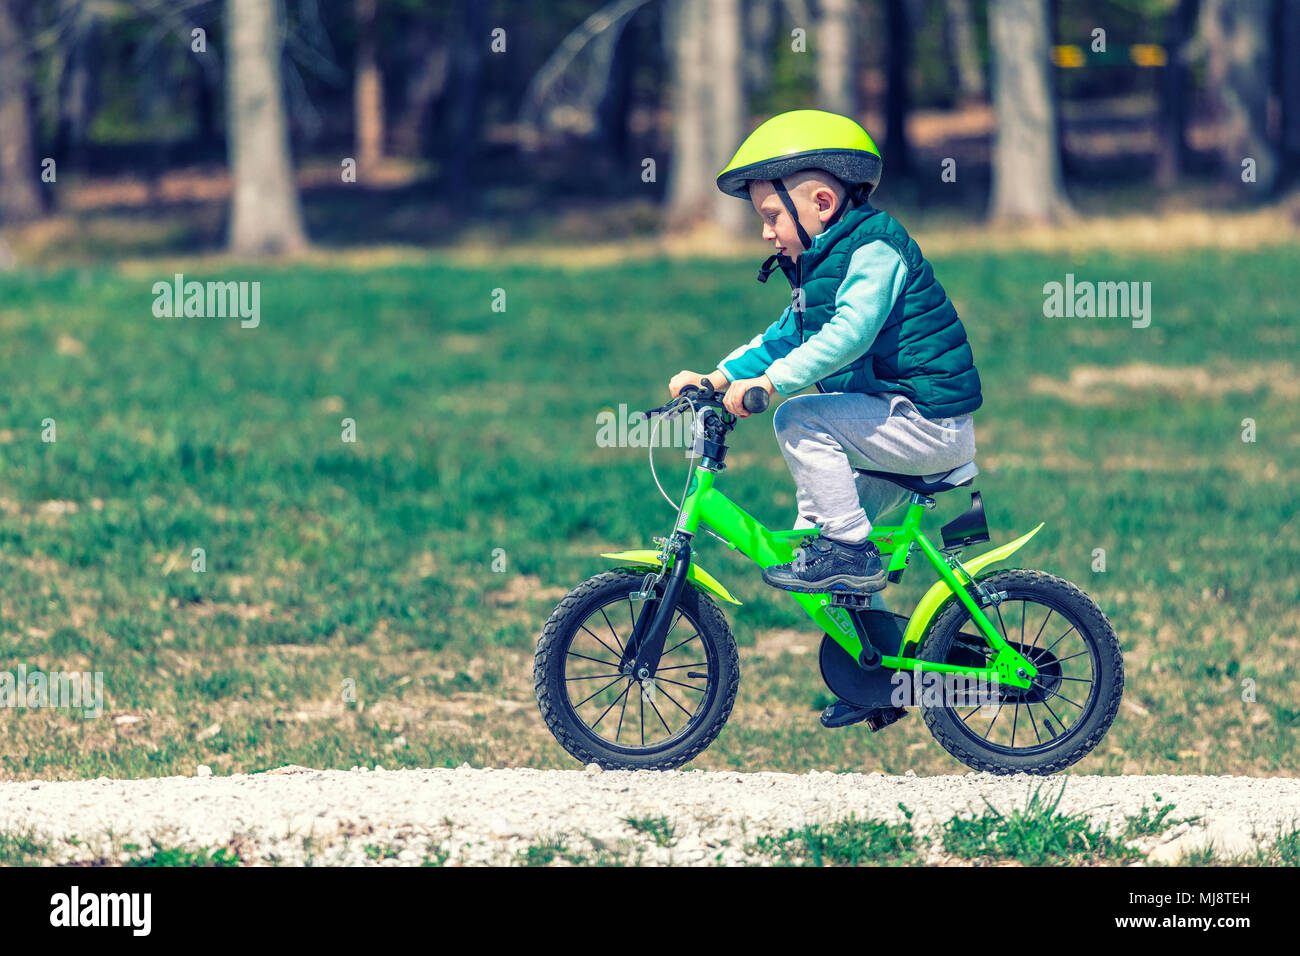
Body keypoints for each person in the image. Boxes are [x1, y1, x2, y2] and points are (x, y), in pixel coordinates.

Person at [668, 109, 982, 606]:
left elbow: (850, 334)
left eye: (772, 216)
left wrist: (771, 386)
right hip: (892, 424)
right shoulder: (823, 266)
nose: (767, 233)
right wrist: (718, 376)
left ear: (822, 202)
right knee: (814, 539)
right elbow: (784, 336)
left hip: (927, 423)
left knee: (799, 418)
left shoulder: (875, 248)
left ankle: (852, 553)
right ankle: (873, 657)